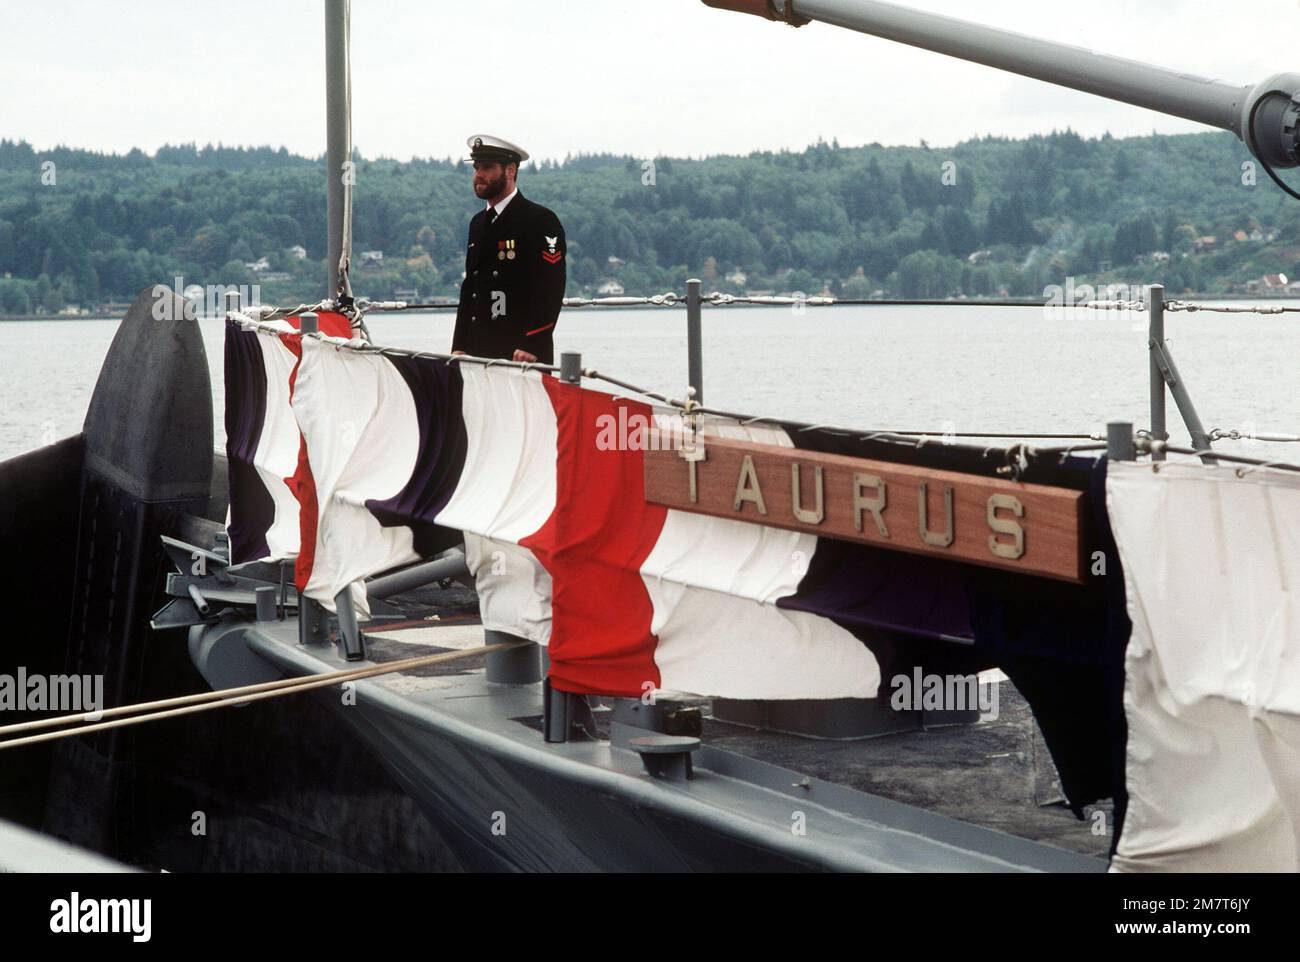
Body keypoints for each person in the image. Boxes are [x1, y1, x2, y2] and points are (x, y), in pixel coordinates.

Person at [450, 135, 566, 365]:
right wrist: (459, 345)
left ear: (510, 170)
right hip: (476, 351)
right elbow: (470, 287)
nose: (479, 175)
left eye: (488, 168)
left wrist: (532, 343)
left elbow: (550, 287)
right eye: (476, 168)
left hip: (520, 352)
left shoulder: (540, 220)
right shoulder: (477, 223)